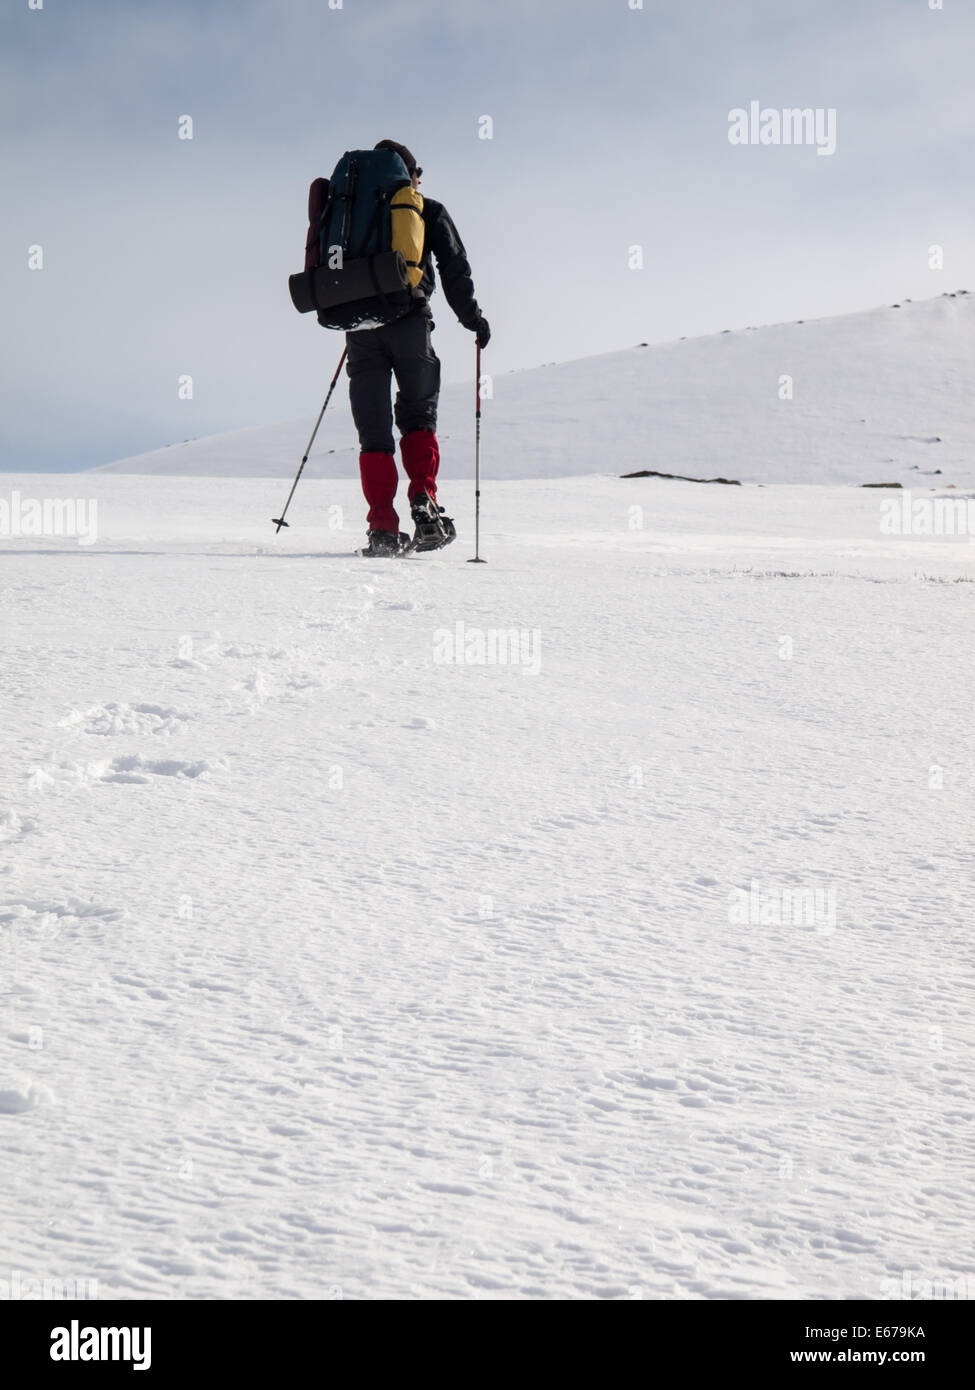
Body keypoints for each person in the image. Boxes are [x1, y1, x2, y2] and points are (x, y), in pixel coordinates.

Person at [346, 140, 490, 555]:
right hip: (409, 325)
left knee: (372, 431)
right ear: (407, 173)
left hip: (360, 329)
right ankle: (423, 503)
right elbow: (455, 268)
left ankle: (382, 529)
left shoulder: (353, 211)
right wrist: (473, 320)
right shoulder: (426, 209)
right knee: (417, 415)